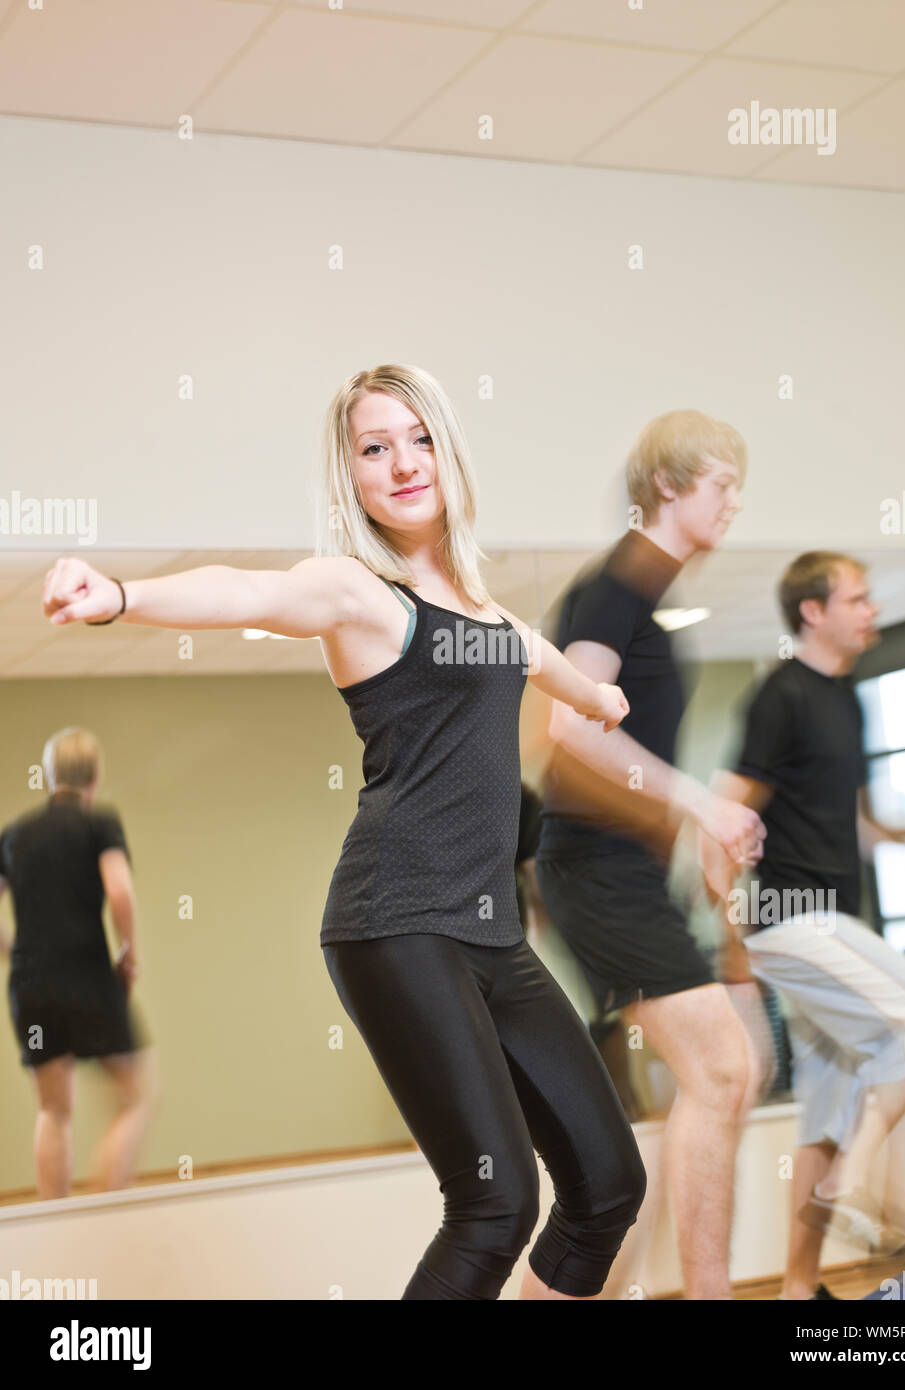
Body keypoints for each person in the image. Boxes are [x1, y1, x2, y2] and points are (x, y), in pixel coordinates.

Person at [40, 364, 759, 1301]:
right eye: (374, 448)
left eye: (419, 438)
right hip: (396, 922)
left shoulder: (478, 606)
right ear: (353, 479)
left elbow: (528, 654)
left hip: (492, 932)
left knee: (607, 1183)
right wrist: (123, 596)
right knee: (495, 1205)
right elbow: (246, 592)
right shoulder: (356, 592)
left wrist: (595, 695)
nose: (403, 462)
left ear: (448, 453)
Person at [533, 409, 768, 1300]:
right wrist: (702, 803)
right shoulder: (613, 591)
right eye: (721, 484)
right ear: (667, 487)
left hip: (624, 876)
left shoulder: (650, 612)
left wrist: (697, 840)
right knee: (722, 1070)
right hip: (592, 874)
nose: (734, 503)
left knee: (708, 1094)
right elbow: (569, 727)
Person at [701, 551, 905, 1301]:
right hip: (789, 920)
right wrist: (732, 946)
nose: (872, 611)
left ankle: (796, 1289)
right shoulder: (779, 695)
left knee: (827, 1115)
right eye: (857, 599)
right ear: (813, 612)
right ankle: (861, 1192)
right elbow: (721, 817)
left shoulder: (845, 698)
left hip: (826, 920)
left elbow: (850, 826)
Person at [0, 728, 156, 1199]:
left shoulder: (14, 835)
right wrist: (128, 950)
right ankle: (105, 1209)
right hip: (85, 973)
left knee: (53, 1109)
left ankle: (56, 1225)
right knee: (136, 1098)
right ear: (94, 777)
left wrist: (16, 953)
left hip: (31, 986)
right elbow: (120, 890)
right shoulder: (98, 823)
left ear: (50, 778)